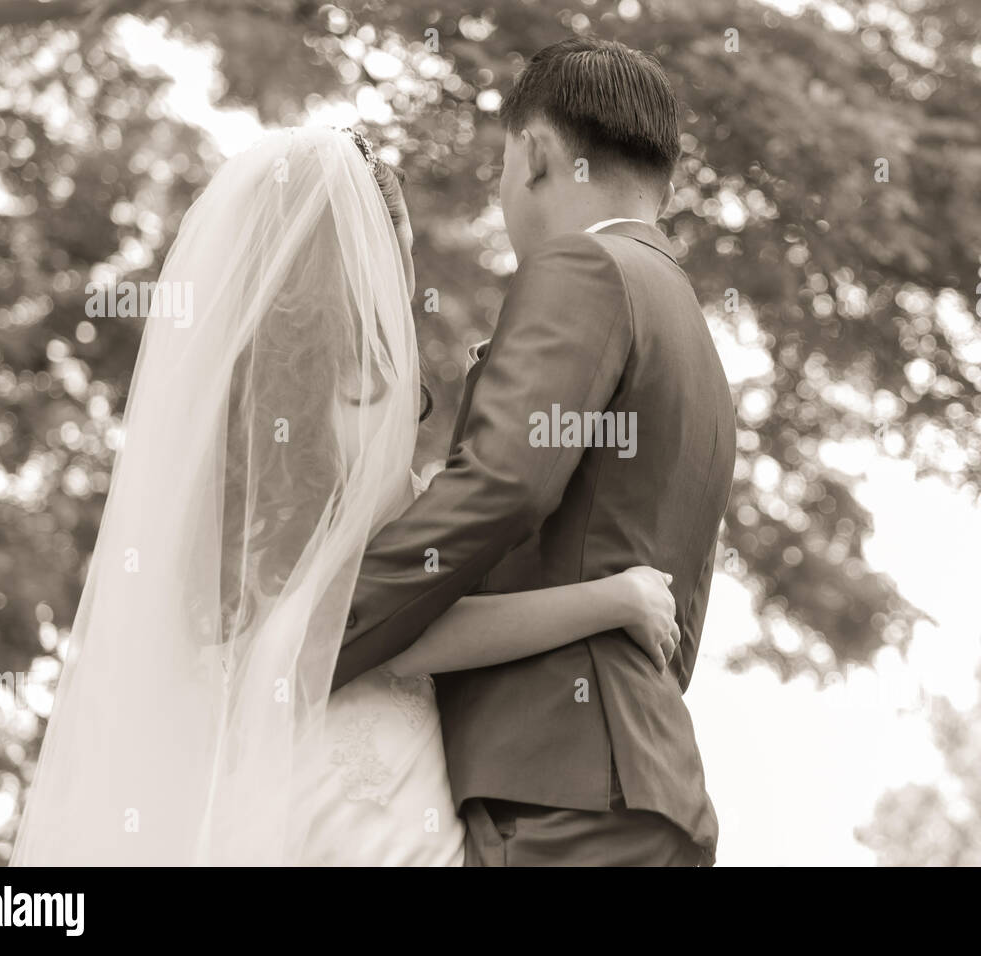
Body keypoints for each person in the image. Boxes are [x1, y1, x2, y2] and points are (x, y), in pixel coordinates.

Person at [10, 124, 681, 866]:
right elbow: (389, 625)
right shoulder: (363, 397)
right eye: (395, 245)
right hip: (361, 765)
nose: (401, 269)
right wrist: (611, 600)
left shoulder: (232, 412)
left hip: (270, 770)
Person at [332, 37, 735, 867]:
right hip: (646, 790)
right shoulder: (697, 343)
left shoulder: (584, 267)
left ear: (537, 154)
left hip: (554, 792)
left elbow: (504, 486)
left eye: (502, 168)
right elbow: (677, 638)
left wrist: (323, 630)